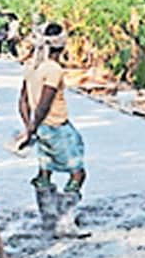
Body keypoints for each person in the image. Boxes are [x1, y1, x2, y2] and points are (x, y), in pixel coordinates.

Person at [17, 22, 90, 239]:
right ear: (62, 45)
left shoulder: (32, 67)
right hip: (57, 127)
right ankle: (65, 222)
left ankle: (48, 216)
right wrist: (32, 127)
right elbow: (44, 103)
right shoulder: (54, 69)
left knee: (44, 172)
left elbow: (23, 101)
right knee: (78, 172)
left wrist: (30, 127)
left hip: (41, 130)